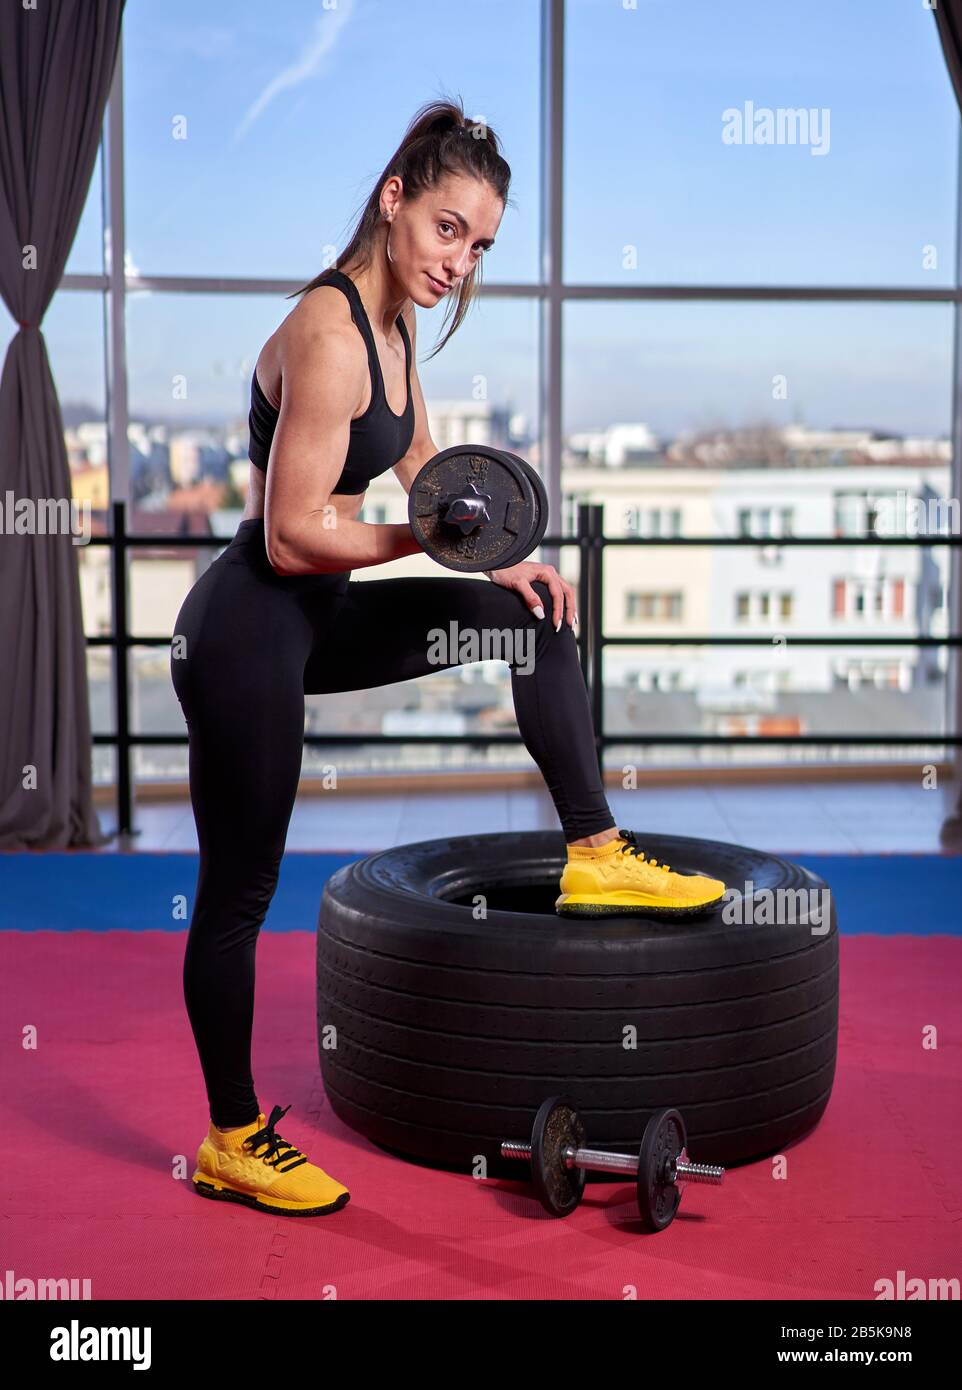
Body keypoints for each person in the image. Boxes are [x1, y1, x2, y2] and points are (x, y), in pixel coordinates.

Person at [170, 98, 725, 1219]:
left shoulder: (395, 326)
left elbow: (422, 463)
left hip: (316, 612)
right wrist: (424, 542)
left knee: (529, 618)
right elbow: (287, 534)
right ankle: (231, 1136)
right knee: (239, 893)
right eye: (446, 231)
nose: (458, 262)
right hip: (246, 628)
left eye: (478, 246)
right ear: (394, 201)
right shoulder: (327, 330)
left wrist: (496, 559)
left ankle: (596, 849)